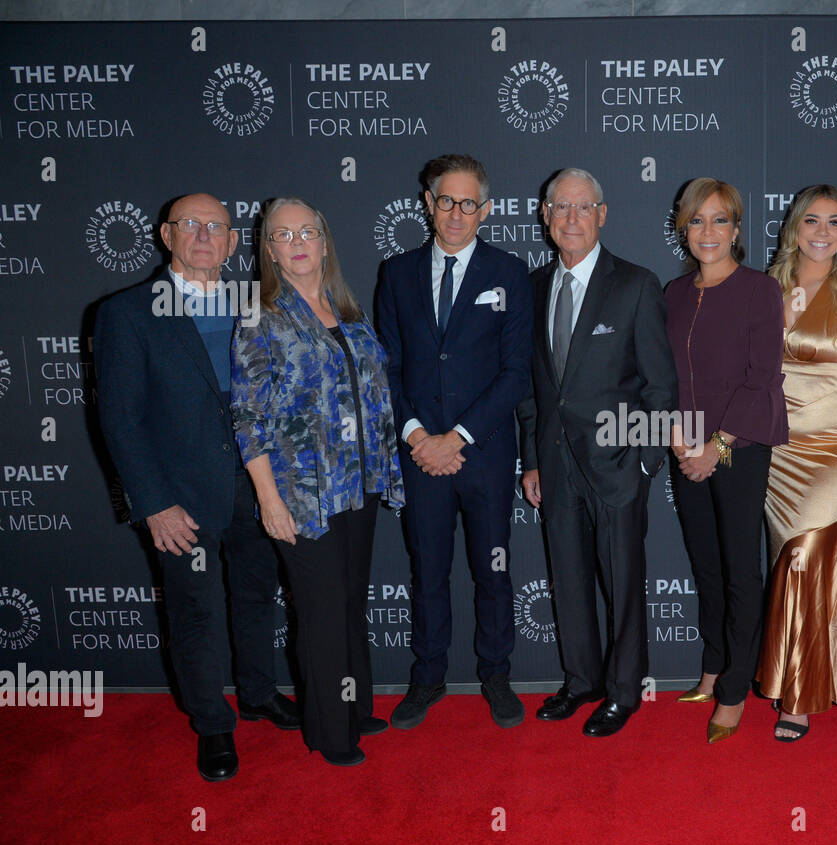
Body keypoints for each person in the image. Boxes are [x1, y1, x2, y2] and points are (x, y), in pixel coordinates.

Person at [96, 192, 298, 783]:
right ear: (166, 234)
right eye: (191, 225)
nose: (205, 235)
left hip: (258, 484)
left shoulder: (256, 305)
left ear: (234, 242)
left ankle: (259, 693)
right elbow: (120, 420)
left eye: (217, 226)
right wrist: (153, 503)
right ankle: (213, 723)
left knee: (257, 595)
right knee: (196, 612)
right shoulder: (128, 313)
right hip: (180, 494)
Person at [231, 197, 404, 767]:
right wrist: (268, 499)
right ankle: (330, 733)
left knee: (350, 603)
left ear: (325, 243)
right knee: (322, 610)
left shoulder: (346, 308)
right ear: (271, 250)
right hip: (302, 495)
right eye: (285, 234)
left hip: (357, 487)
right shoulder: (262, 316)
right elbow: (248, 418)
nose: (298, 241)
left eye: (309, 230)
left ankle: (354, 708)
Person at [518, 168, 678, 738]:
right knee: (568, 578)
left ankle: (624, 690)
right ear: (545, 216)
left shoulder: (635, 284)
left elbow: (661, 387)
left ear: (602, 215)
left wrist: (644, 461)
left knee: (623, 582)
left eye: (583, 207)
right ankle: (581, 679)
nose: (571, 218)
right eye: (560, 207)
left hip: (617, 464)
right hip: (556, 465)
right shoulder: (533, 287)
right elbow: (534, 386)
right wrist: (532, 457)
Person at [375, 155, 533, 731]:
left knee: (493, 571)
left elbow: (516, 372)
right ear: (428, 203)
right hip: (419, 455)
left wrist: (458, 438)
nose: (457, 213)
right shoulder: (395, 274)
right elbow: (385, 368)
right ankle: (428, 676)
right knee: (428, 571)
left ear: (485, 210)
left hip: (484, 455)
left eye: (469, 203)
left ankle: (496, 674)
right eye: (447, 201)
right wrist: (418, 436)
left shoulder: (510, 272)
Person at [757, 185, 837, 741]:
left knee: (808, 560)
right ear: (794, 226)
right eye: (812, 220)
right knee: (786, 567)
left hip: (833, 451)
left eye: (835, 222)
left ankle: (801, 696)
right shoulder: (767, 287)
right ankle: (795, 675)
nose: (822, 231)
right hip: (773, 451)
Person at [664, 179, 789, 743]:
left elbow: (763, 378)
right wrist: (676, 435)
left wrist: (717, 448)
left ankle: (737, 686)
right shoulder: (671, 292)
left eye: (719, 220)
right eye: (696, 221)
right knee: (705, 564)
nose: (707, 232)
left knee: (741, 569)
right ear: (682, 228)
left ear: (737, 228)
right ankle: (713, 665)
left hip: (737, 448)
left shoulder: (760, 290)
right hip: (684, 447)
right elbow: (663, 376)